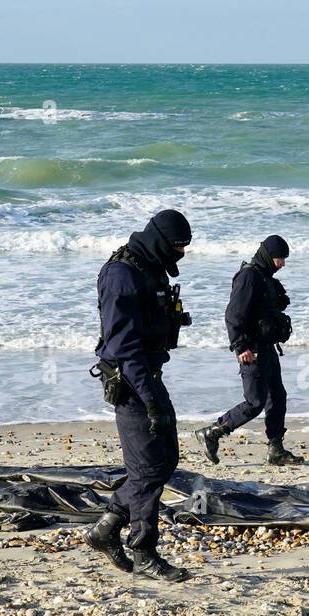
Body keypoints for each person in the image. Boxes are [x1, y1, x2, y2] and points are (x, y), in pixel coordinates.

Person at [83, 210, 194, 582]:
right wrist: (149, 400)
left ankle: (106, 527)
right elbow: (123, 348)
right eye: (177, 247)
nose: (180, 254)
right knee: (146, 469)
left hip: (148, 374)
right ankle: (144, 552)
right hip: (131, 382)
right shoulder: (120, 275)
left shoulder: (152, 265)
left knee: (165, 461)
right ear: (161, 240)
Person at [194, 235, 304, 467]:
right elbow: (233, 315)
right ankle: (212, 432)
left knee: (278, 398)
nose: (282, 264)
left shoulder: (265, 277)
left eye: (283, 259)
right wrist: (240, 346)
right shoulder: (248, 277)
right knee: (255, 403)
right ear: (267, 255)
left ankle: (276, 449)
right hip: (252, 350)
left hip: (268, 348)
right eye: (279, 259)